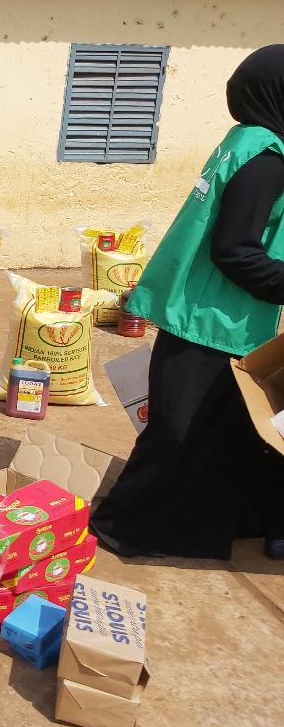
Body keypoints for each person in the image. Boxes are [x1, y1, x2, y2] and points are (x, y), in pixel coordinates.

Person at [91, 45, 284, 561]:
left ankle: (236, 520)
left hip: (199, 312)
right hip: (216, 320)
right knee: (182, 434)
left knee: (218, 432)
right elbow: (235, 249)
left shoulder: (242, 142)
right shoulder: (267, 159)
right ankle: (128, 526)